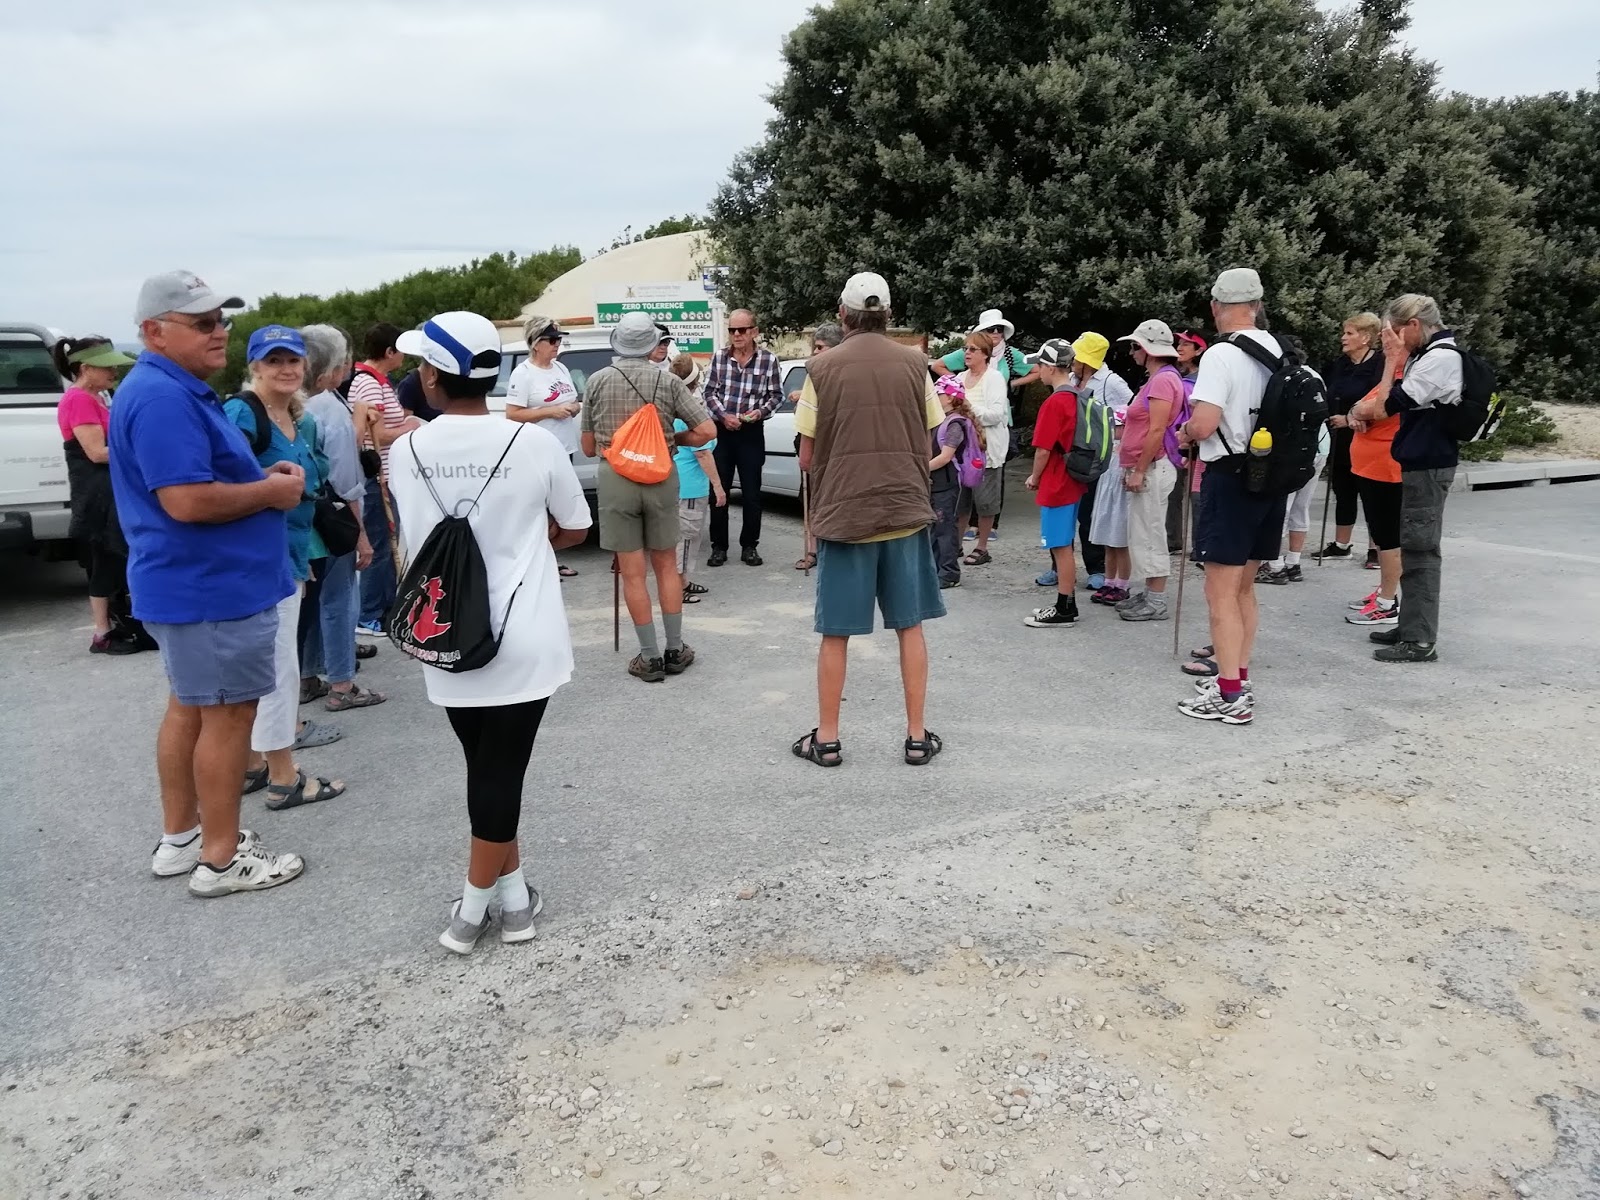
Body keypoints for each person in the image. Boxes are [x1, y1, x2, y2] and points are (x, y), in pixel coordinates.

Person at [386, 311, 592, 954]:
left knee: (487, 768)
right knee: (497, 772)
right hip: (525, 635)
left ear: (431, 375)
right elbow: (577, 528)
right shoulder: (531, 445)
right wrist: (527, 537)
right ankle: (493, 908)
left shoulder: (405, 450)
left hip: (443, 630)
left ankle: (492, 903)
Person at [109, 269, 304, 894]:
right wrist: (271, 491)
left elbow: (195, 483)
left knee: (192, 709)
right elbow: (188, 502)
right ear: (153, 331)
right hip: (212, 587)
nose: (220, 332)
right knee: (226, 717)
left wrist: (254, 476)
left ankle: (184, 838)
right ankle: (220, 860)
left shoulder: (168, 388)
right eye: (202, 323)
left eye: (222, 319)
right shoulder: (165, 398)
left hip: (195, 586)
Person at [794, 271, 946, 767]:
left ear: (844, 315)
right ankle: (917, 736)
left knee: (835, 633)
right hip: (904, 509)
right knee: (910, 627)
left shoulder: (821, 368)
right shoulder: (915, 364)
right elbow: (928, 443)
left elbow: (806, 457)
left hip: (845, 515)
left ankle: (829, 739)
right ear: (887, 315)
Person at [224, 326, 349, 808]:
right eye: (274, 360)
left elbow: (314, 481)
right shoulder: (242, 413)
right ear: (255, 366)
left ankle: (254, 764)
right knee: (278, 665)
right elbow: (221, 478)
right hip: (259, 557)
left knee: (273, 660)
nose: (286, 369)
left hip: (292, 552)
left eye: (293, 360)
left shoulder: (302, 417)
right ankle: (284, 775)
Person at [1174, 267, 1284, 726]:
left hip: (1230, 473)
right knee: (1244, 588)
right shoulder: (1277, 349)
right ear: (1256, 305)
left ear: (1217, 307)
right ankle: (1237, 674)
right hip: (1270, 475)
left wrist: (1183, 434)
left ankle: (1230, 696)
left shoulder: (1220, 354)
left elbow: (1203, 423)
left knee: (1218, 590)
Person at [581, 312, 716, 681]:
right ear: (652, 345)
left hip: (616, 479)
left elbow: (589, 446)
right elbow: (705, 430)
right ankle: (675, 649)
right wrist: (671, 440)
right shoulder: (669, 382)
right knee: (665, 566)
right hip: (660, 475)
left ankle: (649, 657)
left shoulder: (596, 382)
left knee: (633, 573)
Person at [1349, 294, 1464, 664]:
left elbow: (1385, 405)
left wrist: (1392, 362)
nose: (1394, 339)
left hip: (1429, 465)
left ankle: (1419, 640)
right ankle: (1411, 627)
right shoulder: (1431, 357)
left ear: (1414, 325)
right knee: (1413, 548)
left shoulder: (1439, 360)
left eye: (1397, 332)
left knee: (1422, 551)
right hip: (1420, 463)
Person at [297, 324, 384, 711]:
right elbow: (346, 481)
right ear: (329, 368)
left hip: (303, 517)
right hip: (333, 517)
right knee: (339, 598)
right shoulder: (330, 408)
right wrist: (361, 535)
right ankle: (342, 684)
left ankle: (306, 676)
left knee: (311, 602)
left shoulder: (294, 403)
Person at [51, 335, 141, 654]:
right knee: (106, 558)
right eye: (107, 367)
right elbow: (96, 453)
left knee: (116, 556)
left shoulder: (99, 396)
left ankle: (123, 623)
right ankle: (102, 634)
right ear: (86, 368)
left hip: (107, 487)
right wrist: (142, 451)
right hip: (97, 491)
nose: (114, 372)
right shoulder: (79, 399)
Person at [1038, 334, 1131, 589]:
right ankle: (1058, 568)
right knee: (1065, 519)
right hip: (1071, 457)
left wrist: (1115, 434)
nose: (1074, 362)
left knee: (1089, 515)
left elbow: (1130, 411)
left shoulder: (1112, 382)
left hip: (1095, 457)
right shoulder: (1070, 381)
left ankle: (1095, 568)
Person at [351, 323, 421, 636]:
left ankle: (386, 607)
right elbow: (373, 434)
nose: (404, 356)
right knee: (380, 544)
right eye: (400, 349)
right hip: (377, 475)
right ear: (389, 352)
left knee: (387, 541)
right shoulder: (368, 384)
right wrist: (407, 429)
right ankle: (369, 613)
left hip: (387, 474)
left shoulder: (378, 381)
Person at [1113, 320, 1185, 621]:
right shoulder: (1159, 379)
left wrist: (1140, 470)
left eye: (1134, 346)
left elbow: (1156, 429)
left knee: (1151, 532)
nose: (1131, 352)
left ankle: (1155, 599)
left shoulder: (1162, 382)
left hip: (1153, 466)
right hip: (1149, 465)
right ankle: (1149, 592)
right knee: (1144, 531)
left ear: (1146, 349)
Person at [702, 308, 782, 566]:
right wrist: (724, 415)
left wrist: (759, 413)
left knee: (751, 493)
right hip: (722, 431)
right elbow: (709, 392)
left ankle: (749, 546)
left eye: (742, 329)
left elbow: (776, 396)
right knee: (719, 490)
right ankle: (719, 547)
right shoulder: (719, 358)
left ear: (754, 331)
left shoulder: (768, 360)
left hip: (751, 432)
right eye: (732, 330)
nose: (736, 335)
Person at [505, 315, 582, 579]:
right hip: (537, 450)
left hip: (564, 448)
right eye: (551, 340)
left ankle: (552, 557)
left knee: (559, 508)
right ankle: (537, 560)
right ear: (536, 343)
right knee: (540, 509)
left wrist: (572, 408)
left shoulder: (560, 369)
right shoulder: (523, 373)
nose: (557, 345)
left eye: (558, 340)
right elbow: (513, 414)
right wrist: (549, 412)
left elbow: (573, 399)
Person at [1023, 339, 1089, 626]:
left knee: (1060, 546)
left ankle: (1065, 608)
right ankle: (1066, 601)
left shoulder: (1054, 402)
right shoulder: (1077, 396)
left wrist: (1034, 477)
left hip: (1056, 480)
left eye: (1039, 365)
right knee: (1065, 544)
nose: (1037, 371)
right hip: (1073, 477)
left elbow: (1043, 450)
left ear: (1050, 367)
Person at [1315, 313, 1386, 566]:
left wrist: (1349, 418)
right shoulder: (1339, 364)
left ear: (1366, 337)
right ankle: (1341, 544)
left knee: (1370, 494)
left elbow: (1382, 401)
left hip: (1369, 436)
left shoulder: (1381, 364)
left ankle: (1376, 548)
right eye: (1344, 332)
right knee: (1342, 490)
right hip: (1340, 439)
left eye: (1349, 333)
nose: (1343, 338)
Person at [1344, 377, 1404, 628]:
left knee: (1389, 537)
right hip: (1370, 467)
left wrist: (1357, 410)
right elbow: (1359, 406)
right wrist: (1352, 412)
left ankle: (1387, 604)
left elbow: (1376, 408)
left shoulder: (1406, 374)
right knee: (1380, 535)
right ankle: (1383, 591)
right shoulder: (1392, 374)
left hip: (1387, 468)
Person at [668, 354, 725, 603]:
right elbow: (702, 453)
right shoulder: (687, 410)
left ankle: (684, 581)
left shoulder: (671, 404)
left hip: (677, 483)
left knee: (683, 537)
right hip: (690, 487)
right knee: (687, 538)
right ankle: (679, 587)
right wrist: (719, 486)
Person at [952, 333, 1008, 568]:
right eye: (966, 348)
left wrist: (968, 407)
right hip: (961, 448)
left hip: (985, 447)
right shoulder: (959, 377)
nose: (967, 353)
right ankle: (955, 544)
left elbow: (995, 415)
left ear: (985, 354)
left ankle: (982, 547)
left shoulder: (994, 378)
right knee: (960, 500)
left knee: (985, 500)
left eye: (973, 349)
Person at [792, 322, 842, 572]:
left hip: (834, 449)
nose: (814, 352)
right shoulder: (814, 375)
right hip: (817, 447)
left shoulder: (841, 375)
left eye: (820, 347)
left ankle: (830, 550)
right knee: (812, 501)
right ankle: (813, 550)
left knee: (831, 502)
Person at [929, 373, 982, 588]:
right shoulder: (941, 420)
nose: (934, 396)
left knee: (944, 527)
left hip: (948, 483)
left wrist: (920, 469)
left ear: (950, 397)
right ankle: (934, 569)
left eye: (938, 392)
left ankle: (949, 573)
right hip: (938, 482)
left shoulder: (955, 424)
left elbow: (946, 456)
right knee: (935, 527)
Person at [1166, 331, 1207, 554]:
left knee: (1197, 493)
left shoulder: (1204, 380)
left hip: (1196, 445)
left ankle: (1200, 545)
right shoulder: (1175, 376)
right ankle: (1172, 541)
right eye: (1178, 343)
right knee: (1172, 494)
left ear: (1199, 350)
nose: (1179, 347)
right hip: (1172, 444)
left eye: (1186, 344)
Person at [935, 308, 1039, 392]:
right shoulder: (970, 351)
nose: (995, 332)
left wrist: (1011, 384)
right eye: (991, 329)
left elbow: (1037, 371)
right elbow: (937, 366)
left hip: (1001, 409)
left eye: (999, 329)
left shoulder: (1010, 353)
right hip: (971, 405)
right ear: (982, 332)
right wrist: (958, 384)